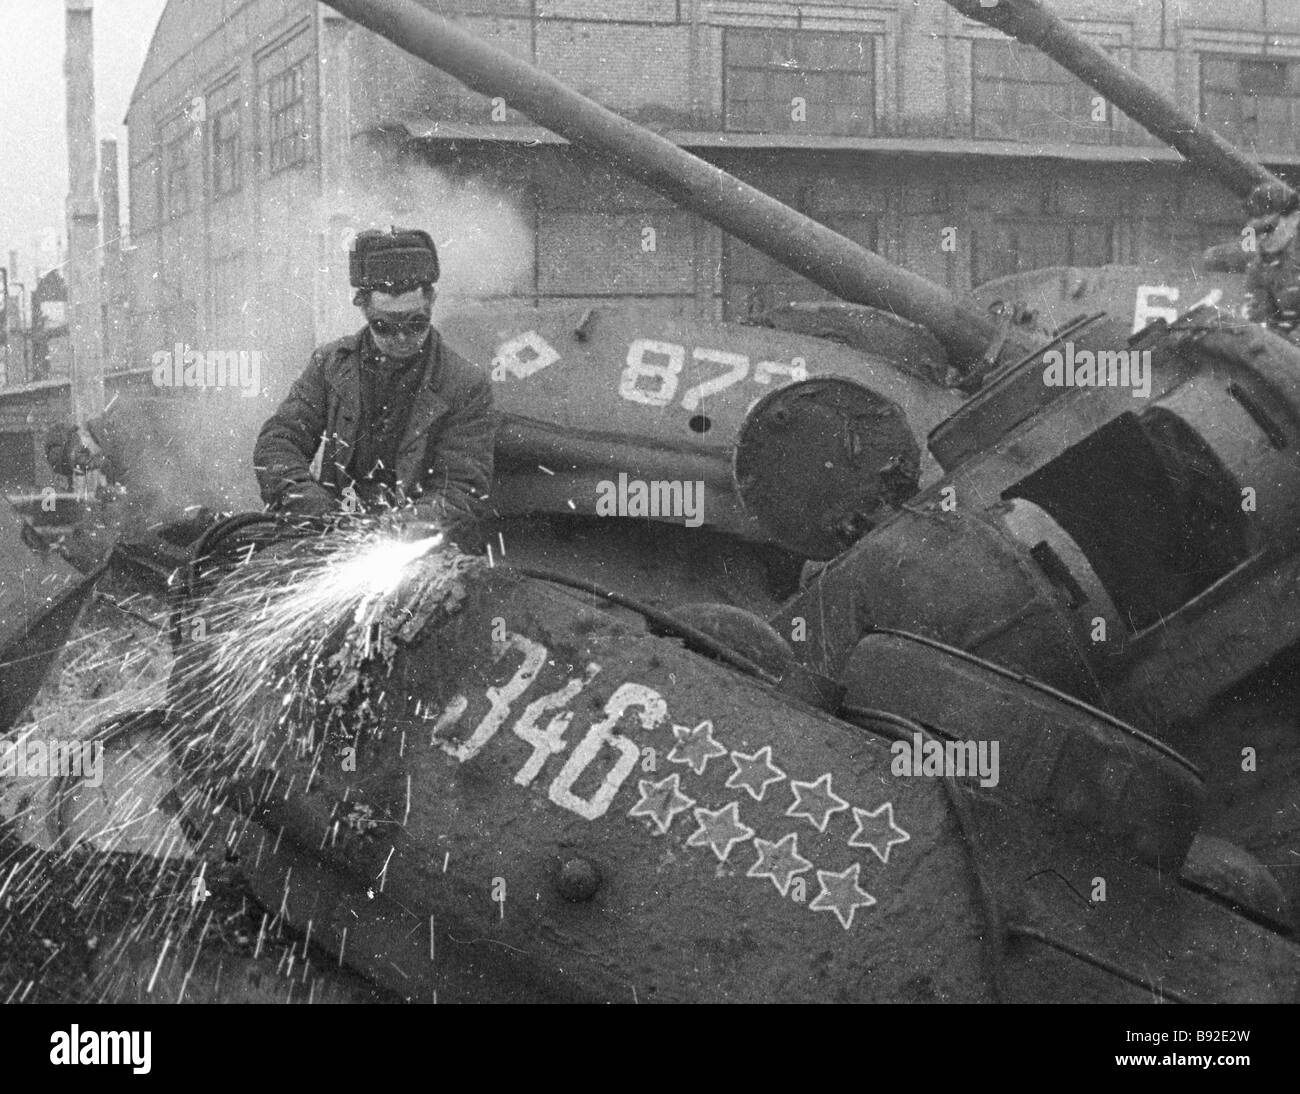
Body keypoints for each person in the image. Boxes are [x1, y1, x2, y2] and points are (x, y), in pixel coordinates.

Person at [254, 228, 496, 548]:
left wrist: (395, 531)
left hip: (413, 548)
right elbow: (278, 444)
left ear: (431, 301)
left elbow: (461, 489)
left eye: (415, 324)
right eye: (384, 326)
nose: (401, 339)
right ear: (364, 307)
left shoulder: (464, 385)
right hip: (332, 532)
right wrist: (315, 508)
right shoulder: (330, 366)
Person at [1244, 180, 1300, 344]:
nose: (1264, 238)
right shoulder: (1259, 267)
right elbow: (1260, 315)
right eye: (1257, 232)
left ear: (1293, 220)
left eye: (1269, 229)